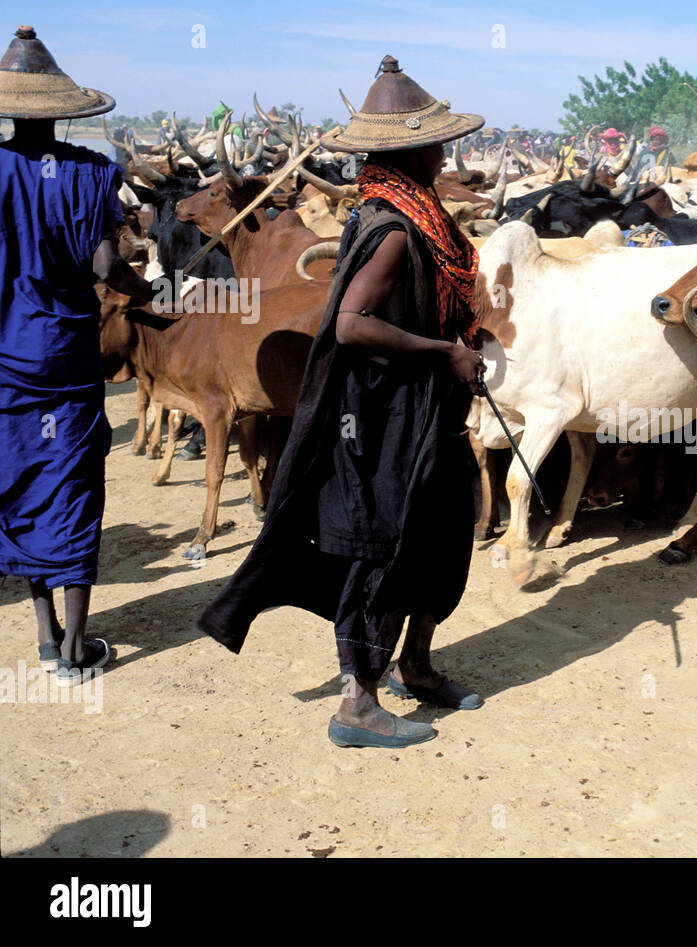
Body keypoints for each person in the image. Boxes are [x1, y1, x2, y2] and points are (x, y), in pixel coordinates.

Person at [197, 55, 487, 749]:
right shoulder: (392, 229)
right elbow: (353, 323)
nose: (444, 149)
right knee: (377, 549)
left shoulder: (415, 217)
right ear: (411, 150)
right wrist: (445, 352)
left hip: (427, 413)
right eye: (435, 141)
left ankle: (414, 664)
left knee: (445, 530)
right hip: (387, 419)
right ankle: (356, 702)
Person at [0, 25, 166, 686]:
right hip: (68, 356)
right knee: (71, 486)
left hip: (8, 359)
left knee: (25, 482)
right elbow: (104, 263)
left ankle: (45, 639)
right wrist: (137, 285)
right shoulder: (91, 172)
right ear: (61, 109)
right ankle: (74, 651)